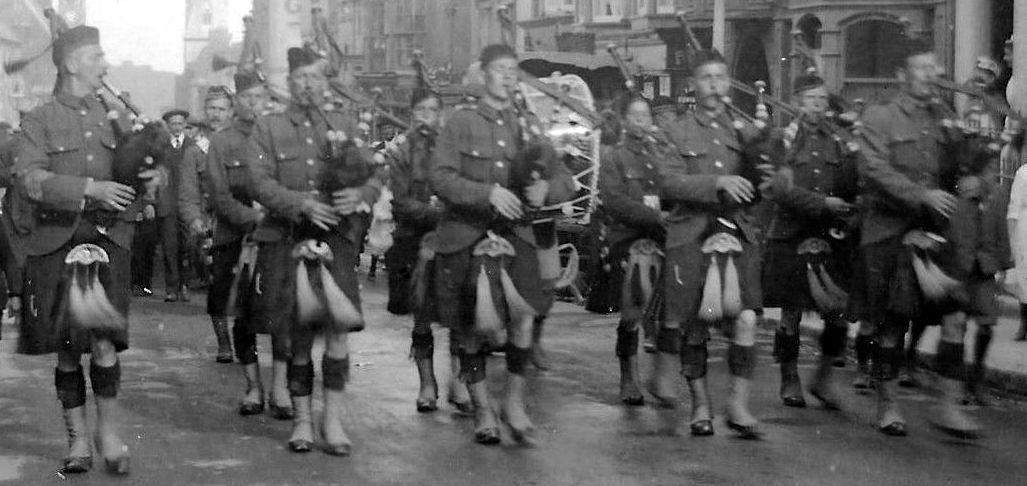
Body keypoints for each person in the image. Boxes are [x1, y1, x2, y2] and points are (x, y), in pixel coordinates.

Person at [12, 25, 164, 475]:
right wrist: (88, 188)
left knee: (104, 346)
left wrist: (149, 178)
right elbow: (31, 179)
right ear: (71, 62)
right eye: (97, 56)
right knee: (65, 349)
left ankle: (109, 433)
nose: (106, 65)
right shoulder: (39, 119)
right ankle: (77, 439)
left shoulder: (115, 118)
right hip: (59, 242)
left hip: (107, 243)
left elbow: (134, 180)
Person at [429, 44, 575, 444]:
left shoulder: (528, 126)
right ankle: (481, 410)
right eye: (499, 70)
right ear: (483, 76)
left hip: (520, 237)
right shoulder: (460, 122)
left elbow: (566, 180)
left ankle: (513, 401)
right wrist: (487, 193)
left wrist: (547, 188)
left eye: (513, 70)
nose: (508, 77)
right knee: (471, 329)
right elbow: (439, 177)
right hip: (469, 235)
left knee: (525, 316)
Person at [855, 35, 994, 438]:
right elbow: (873, 170)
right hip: (890, 232)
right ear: (902, 75)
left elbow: (968, 160)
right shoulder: (880, 116)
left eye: (933, 69)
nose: (930, 77)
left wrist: (977, 181)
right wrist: (921, 194)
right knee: (892, 324)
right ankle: (888, 404)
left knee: (954, 318)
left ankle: (949, 407)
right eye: (921, 69)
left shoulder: (944, 115)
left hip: (936, 234)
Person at [248, 47, 380, 455]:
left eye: (316, 78)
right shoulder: (268, 128)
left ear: (326, 82)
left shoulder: (342, 123)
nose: (309, 85)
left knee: (338, 336)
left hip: (336, 243)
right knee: (297, 338)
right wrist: (300, 203)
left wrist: (360, 193)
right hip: (290, 240)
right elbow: (258, 181)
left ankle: (333, 420)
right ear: (290, 82)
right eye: (302, 78)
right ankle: (303, 421)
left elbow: (375, 177)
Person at [653, 48, 769, 438]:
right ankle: (701, 404)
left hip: (737, 235)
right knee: (695, 326)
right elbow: (667, 182)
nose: (716, 86)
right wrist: (716, 184)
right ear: (694, 84)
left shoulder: (744, 130)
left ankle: (738, 404)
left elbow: (767, 180)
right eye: (707, 78)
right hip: (691, 234)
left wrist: (771, 175)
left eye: (721, 78)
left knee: (749, 318)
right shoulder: (675, 130)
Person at [762, 72, 859, 410]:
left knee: (837, 312)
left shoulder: (839, 140)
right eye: (811, 100)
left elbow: (851, 182)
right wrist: (821, 204)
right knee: (791, 314)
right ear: (797, 103)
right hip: (792, 234)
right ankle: (790, 379)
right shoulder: (783, 139)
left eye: (822, 100)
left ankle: (824, 378)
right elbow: (780, 190)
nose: (818, 106)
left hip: (829, 236)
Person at [385, 88, 472, 413]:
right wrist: (434, 213)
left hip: (454, 240)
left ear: (441, 114)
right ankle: (426, 384)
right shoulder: (401, 153)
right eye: (420, 110)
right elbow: (401, 202)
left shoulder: (454, 149)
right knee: (421, 316)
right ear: (411, 114)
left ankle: (458, 383)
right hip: (416, 243)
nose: (426, 117)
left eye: (432, 111)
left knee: (458, 316)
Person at [599, 94, 671, 406]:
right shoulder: (614, 157)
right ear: (625, 120)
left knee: (671, 308)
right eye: (635, 115)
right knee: (631, 310)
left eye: (646, 115)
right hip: (628, 236)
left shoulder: (661, 153)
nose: (642, 121)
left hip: (665, 234)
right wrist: (654, 216)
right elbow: (615, 200)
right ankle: (629, 375)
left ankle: (663, 373)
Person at [176, 86, 237, 362]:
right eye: (212, 108)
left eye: (222, 109)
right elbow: (188, 194)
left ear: (232, 112)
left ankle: (245, 337)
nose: (216, 114)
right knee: (218, 285)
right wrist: (195, 222)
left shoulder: (243, 143)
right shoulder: (195, 151)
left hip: (242, 221)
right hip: (213, 225)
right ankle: (224, 342)